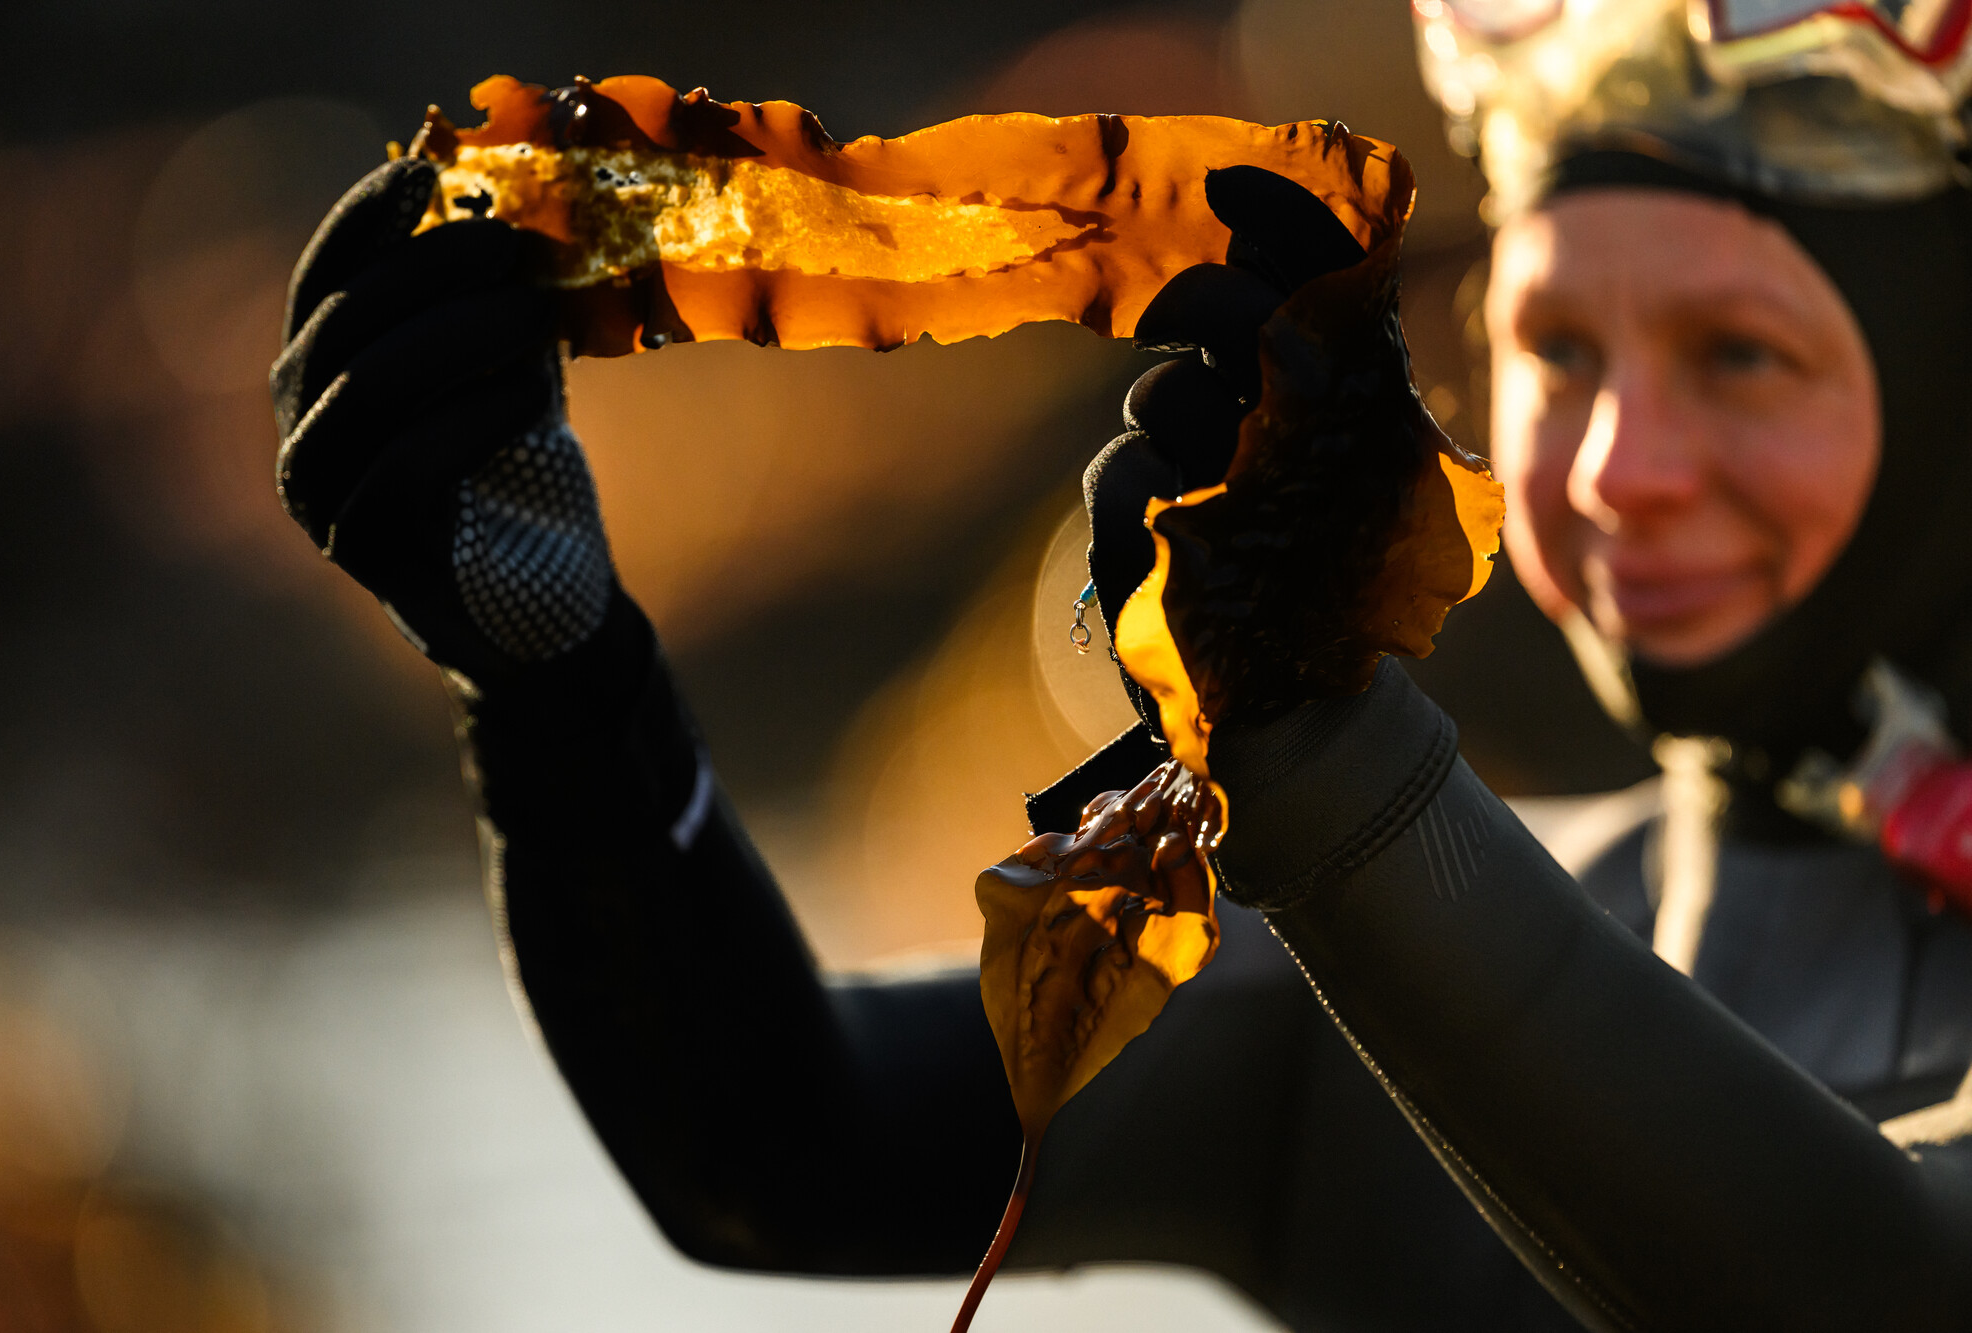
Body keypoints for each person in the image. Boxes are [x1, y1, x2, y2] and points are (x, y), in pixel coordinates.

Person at [270, 1, 1972, 1326]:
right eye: (1556, 347)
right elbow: (775, 1149)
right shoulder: (1387, 1004)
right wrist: (557, 681)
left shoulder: (1421, 931)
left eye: (1743, 356)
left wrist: (1334, 778)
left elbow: (1874, 1297)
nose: (1612, 465)